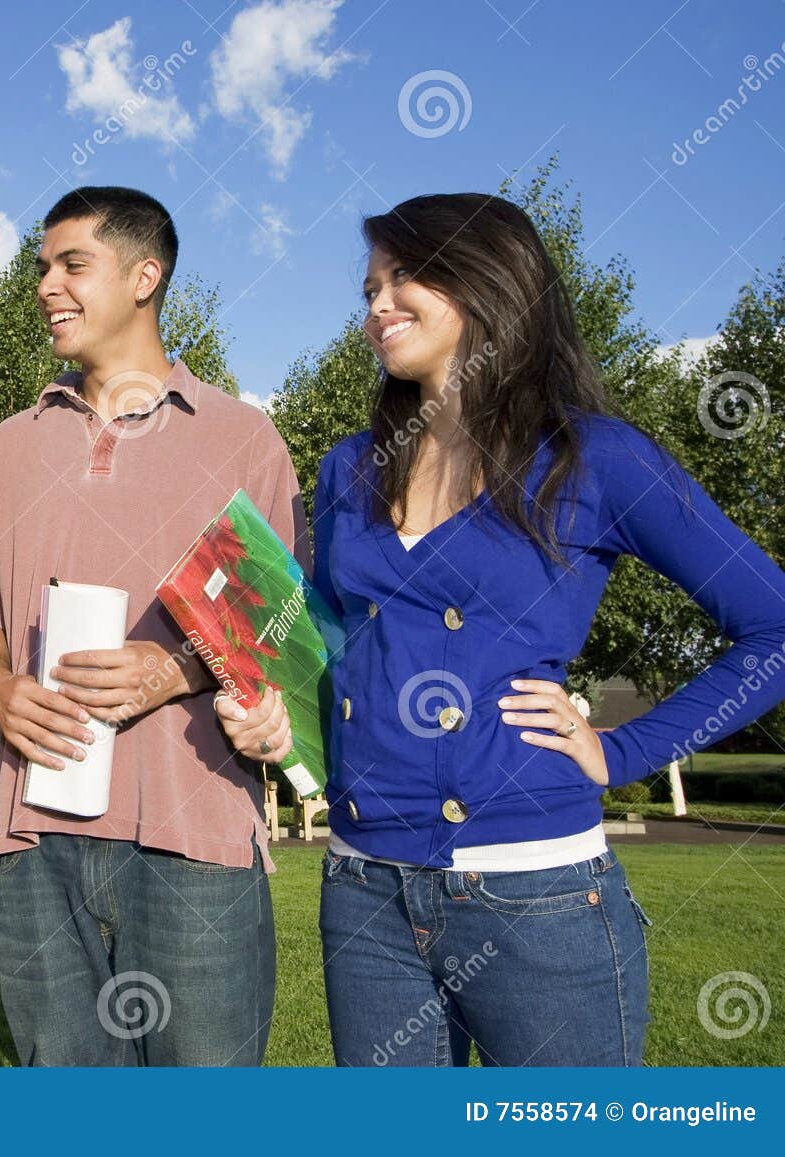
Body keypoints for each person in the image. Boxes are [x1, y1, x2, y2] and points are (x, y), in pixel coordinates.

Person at [296, 192, 785, 1066]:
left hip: (538, 892)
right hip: (362, 887)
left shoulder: (597, 458)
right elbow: (331, 641)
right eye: (368, 289)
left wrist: (623, 751)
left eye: (403, 278)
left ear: (488, 282)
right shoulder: (349, 468)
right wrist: (281, 719)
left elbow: (772, 628)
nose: (376, 306)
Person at [0, 187, 306, 1066]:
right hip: (36, 834)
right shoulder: (8, 445)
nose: (46, 285)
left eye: (72, 264)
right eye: (42, 267)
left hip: (194, 835)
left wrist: (176, 668)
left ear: (144, 277)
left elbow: (285, 625)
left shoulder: (244, 438)